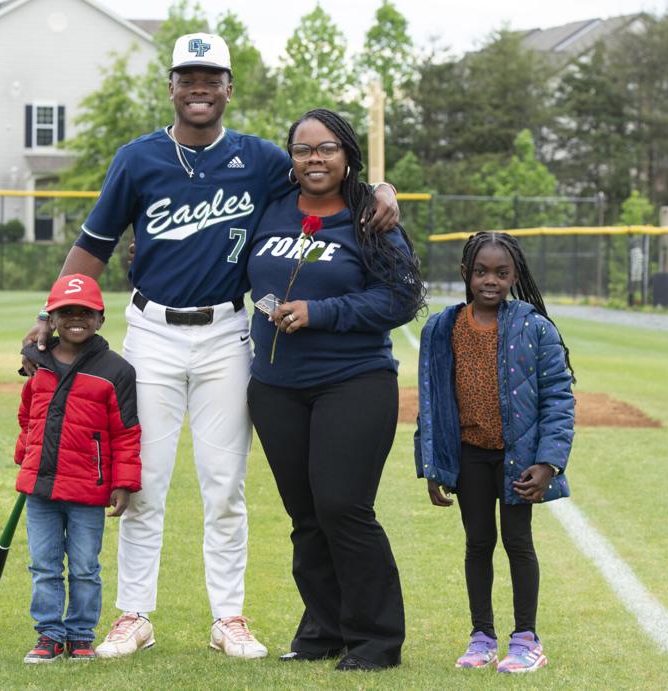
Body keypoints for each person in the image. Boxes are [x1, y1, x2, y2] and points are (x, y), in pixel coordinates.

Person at [21, 33, 400, 659]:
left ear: (228, 88)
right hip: (151, 333)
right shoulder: (137, 158)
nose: (200, 88)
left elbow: (327, 171)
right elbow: (95, 243)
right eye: (188, 77)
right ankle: (133, 614)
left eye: (211, 77)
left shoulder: (256, 158)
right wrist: (47, 309)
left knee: (225, 484)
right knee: (142, 481)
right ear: (171, 87)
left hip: (228, 333)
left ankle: (229, 617)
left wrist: (382, 189)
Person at [245, 108, 425, 671]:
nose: (314, 159)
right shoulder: (271, 209)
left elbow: (400, 299)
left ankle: (376, 639)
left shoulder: (370, 216)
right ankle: (323, 628)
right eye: (303, 150)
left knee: (343, 506)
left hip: (353, 381)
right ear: (291, 159)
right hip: (276, 386)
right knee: (306, 517)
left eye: (326, 148)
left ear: (346, 154)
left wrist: (320, 311)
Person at [414, 231, 575, 674]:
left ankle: (526, 639)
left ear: (515, 275)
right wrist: (431, 465)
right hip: (469, 455)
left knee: (518, 542)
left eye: (501, 273)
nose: (490, 281)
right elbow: (430, 399)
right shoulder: (443, 327)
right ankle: (481, 636)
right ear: (466, 274)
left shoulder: (534, 327)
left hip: (518, 458)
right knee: (478, 542)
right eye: (481, 272)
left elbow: (559, 397)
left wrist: (547, 462)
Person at [15, 274, 142, 663]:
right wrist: (27, 454)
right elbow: (27, 417)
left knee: (85, 566)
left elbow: (126, 432)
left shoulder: (116, 371)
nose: (76, 319)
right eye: (65, 312)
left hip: (88, 490)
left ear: (100, 318)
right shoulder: (37, 364)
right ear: (50, 319)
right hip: (41, 488)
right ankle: (50, 634)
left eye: (85, 312)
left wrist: (123, 482)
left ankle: (81, 633)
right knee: (44, 565)